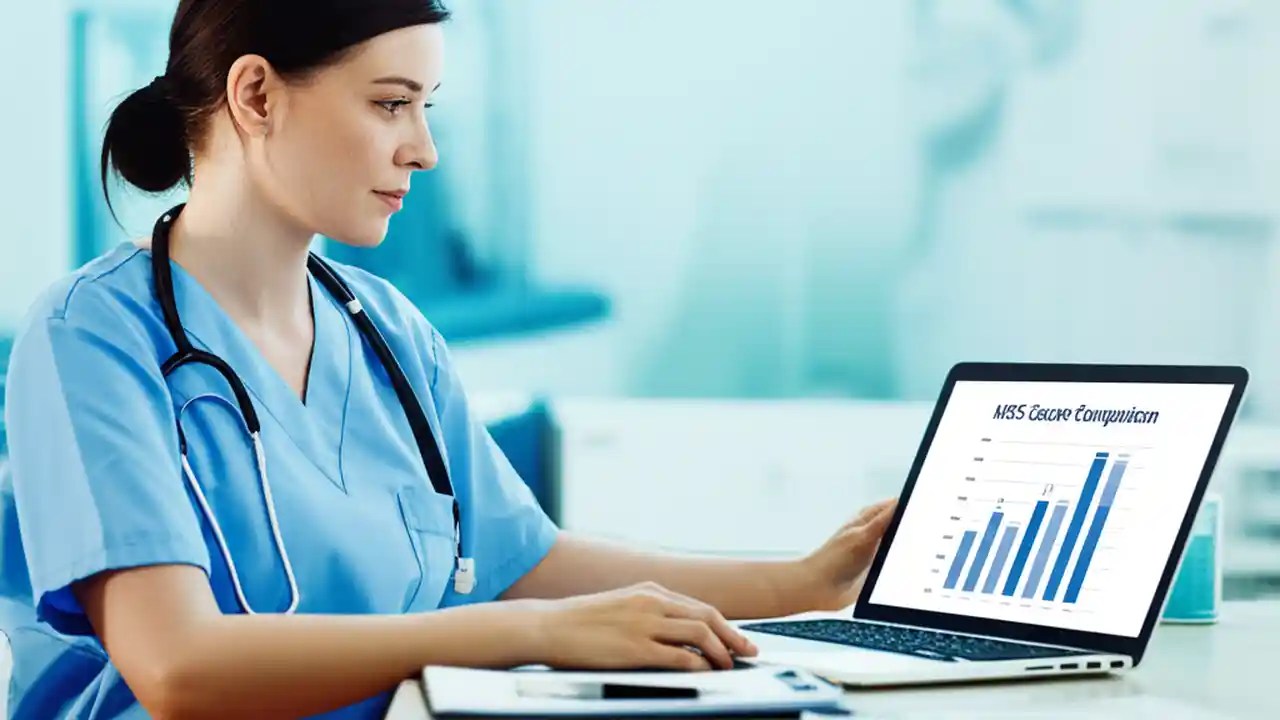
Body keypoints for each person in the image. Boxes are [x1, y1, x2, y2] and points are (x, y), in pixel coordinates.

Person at [0, 1, 896, 717]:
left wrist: (798, 580)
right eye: (392, 103)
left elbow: (525, 562)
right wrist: (529, 632)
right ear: (257, 95)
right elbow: (179, 670)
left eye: (426, 109)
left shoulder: (388, 331)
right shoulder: (91, 336)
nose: (422, 149)